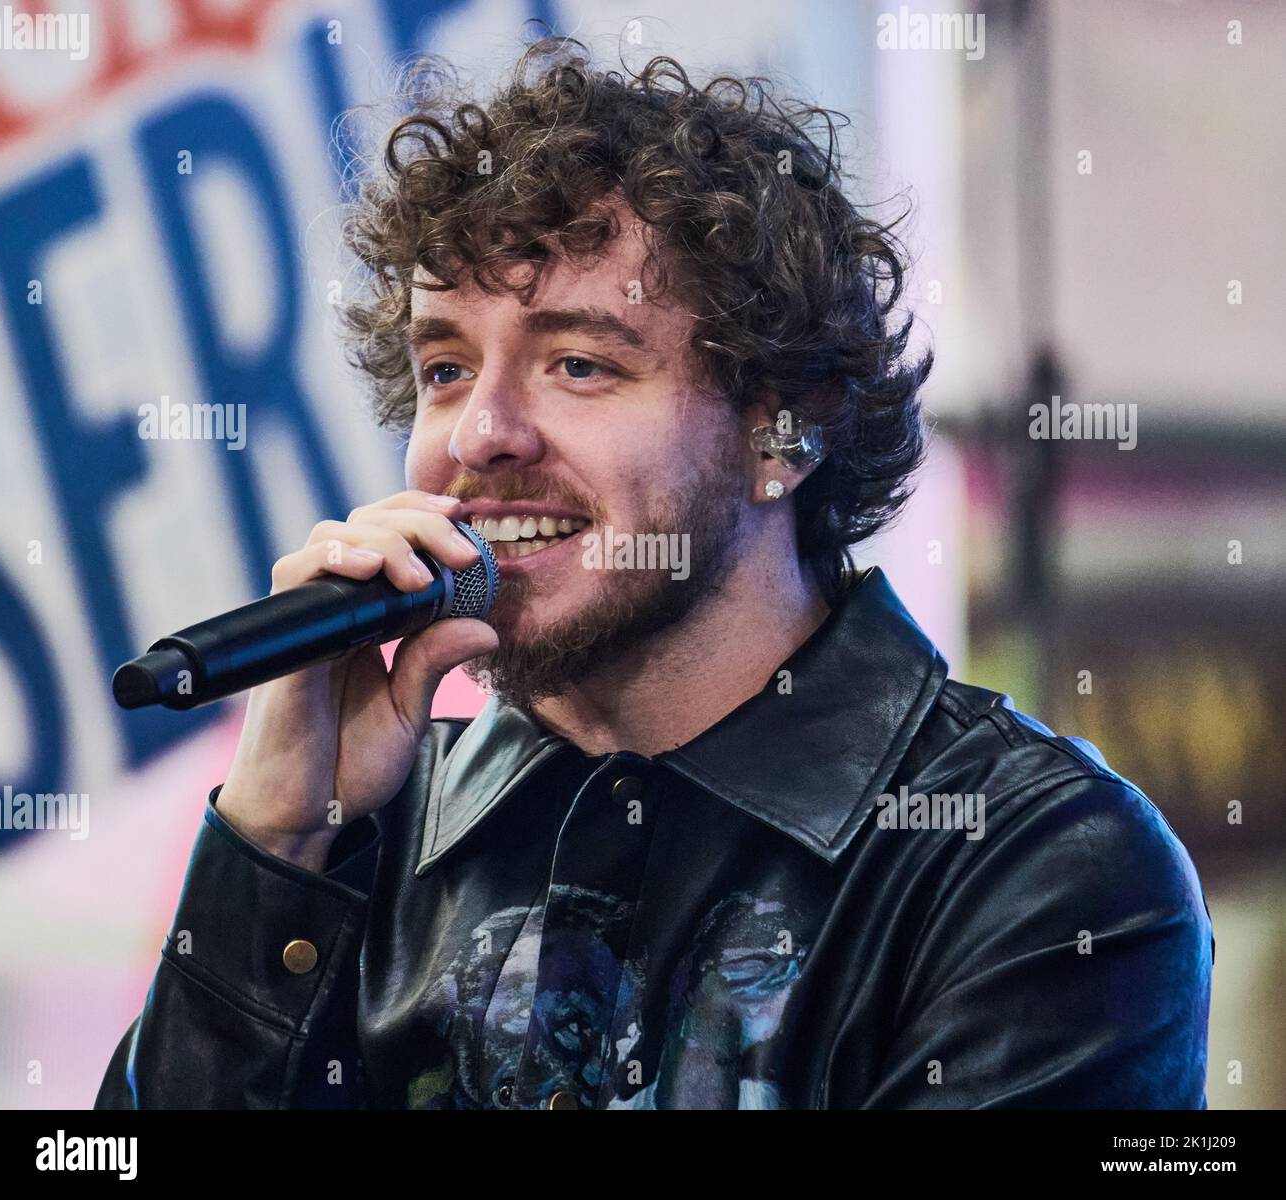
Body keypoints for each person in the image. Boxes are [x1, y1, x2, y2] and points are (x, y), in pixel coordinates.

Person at [94, 37, 1212, 1110]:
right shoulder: (355, 832)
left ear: (783, 436)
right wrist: (274, 847)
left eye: (578, 364)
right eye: (443, 367)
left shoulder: (1033, 863)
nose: (481, 432)